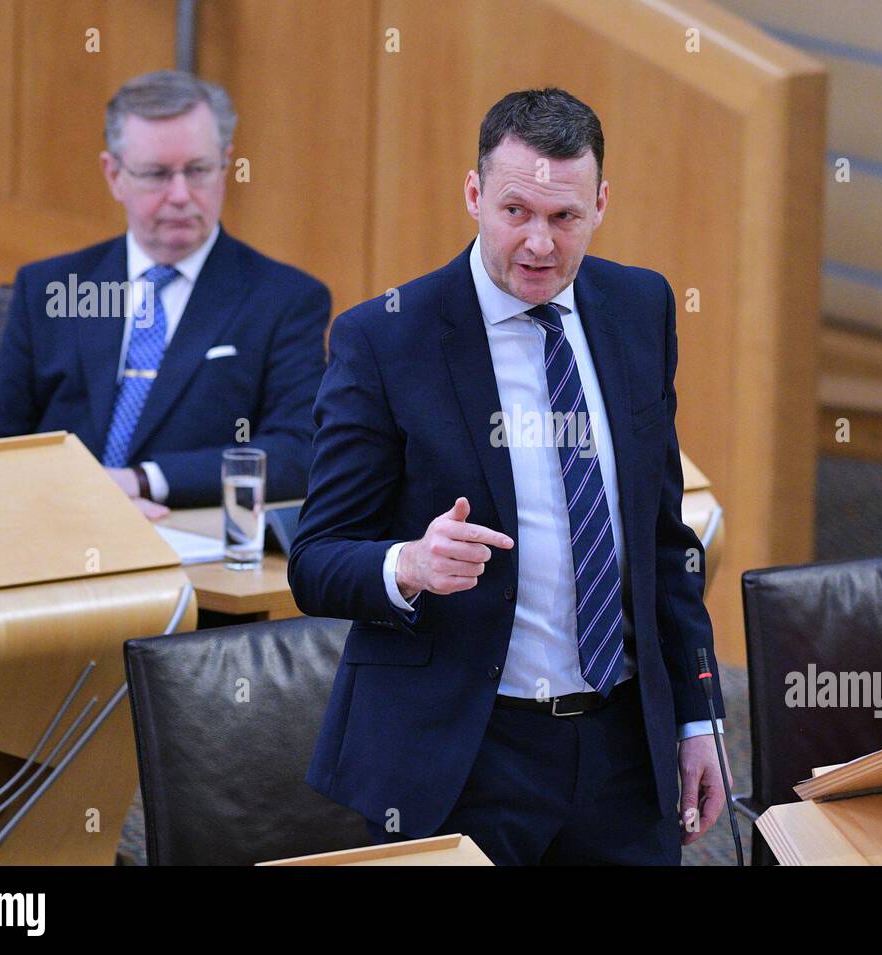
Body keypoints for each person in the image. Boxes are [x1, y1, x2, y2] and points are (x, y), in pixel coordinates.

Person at [289, 88, 728, 865]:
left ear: (600, 205)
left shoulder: (638, 307)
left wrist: (697, 718)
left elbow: (664, 539)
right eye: (515, 211)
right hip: (465, 752)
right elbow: (317, 559)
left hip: (623, 748)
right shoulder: (385, 339)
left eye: (564, 218)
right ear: (473, 195)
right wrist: (409, 564)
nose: (538, 244)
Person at [0, 70, 331, 513]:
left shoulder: (284, 299)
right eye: (157, 174)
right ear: (114, 174)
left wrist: (143, 481)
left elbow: (297, 452)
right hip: (54, 526)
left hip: (192, 542)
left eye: (198, 171)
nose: (180, 195)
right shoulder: (48, 289)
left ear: (226, 164)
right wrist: (79, 497)